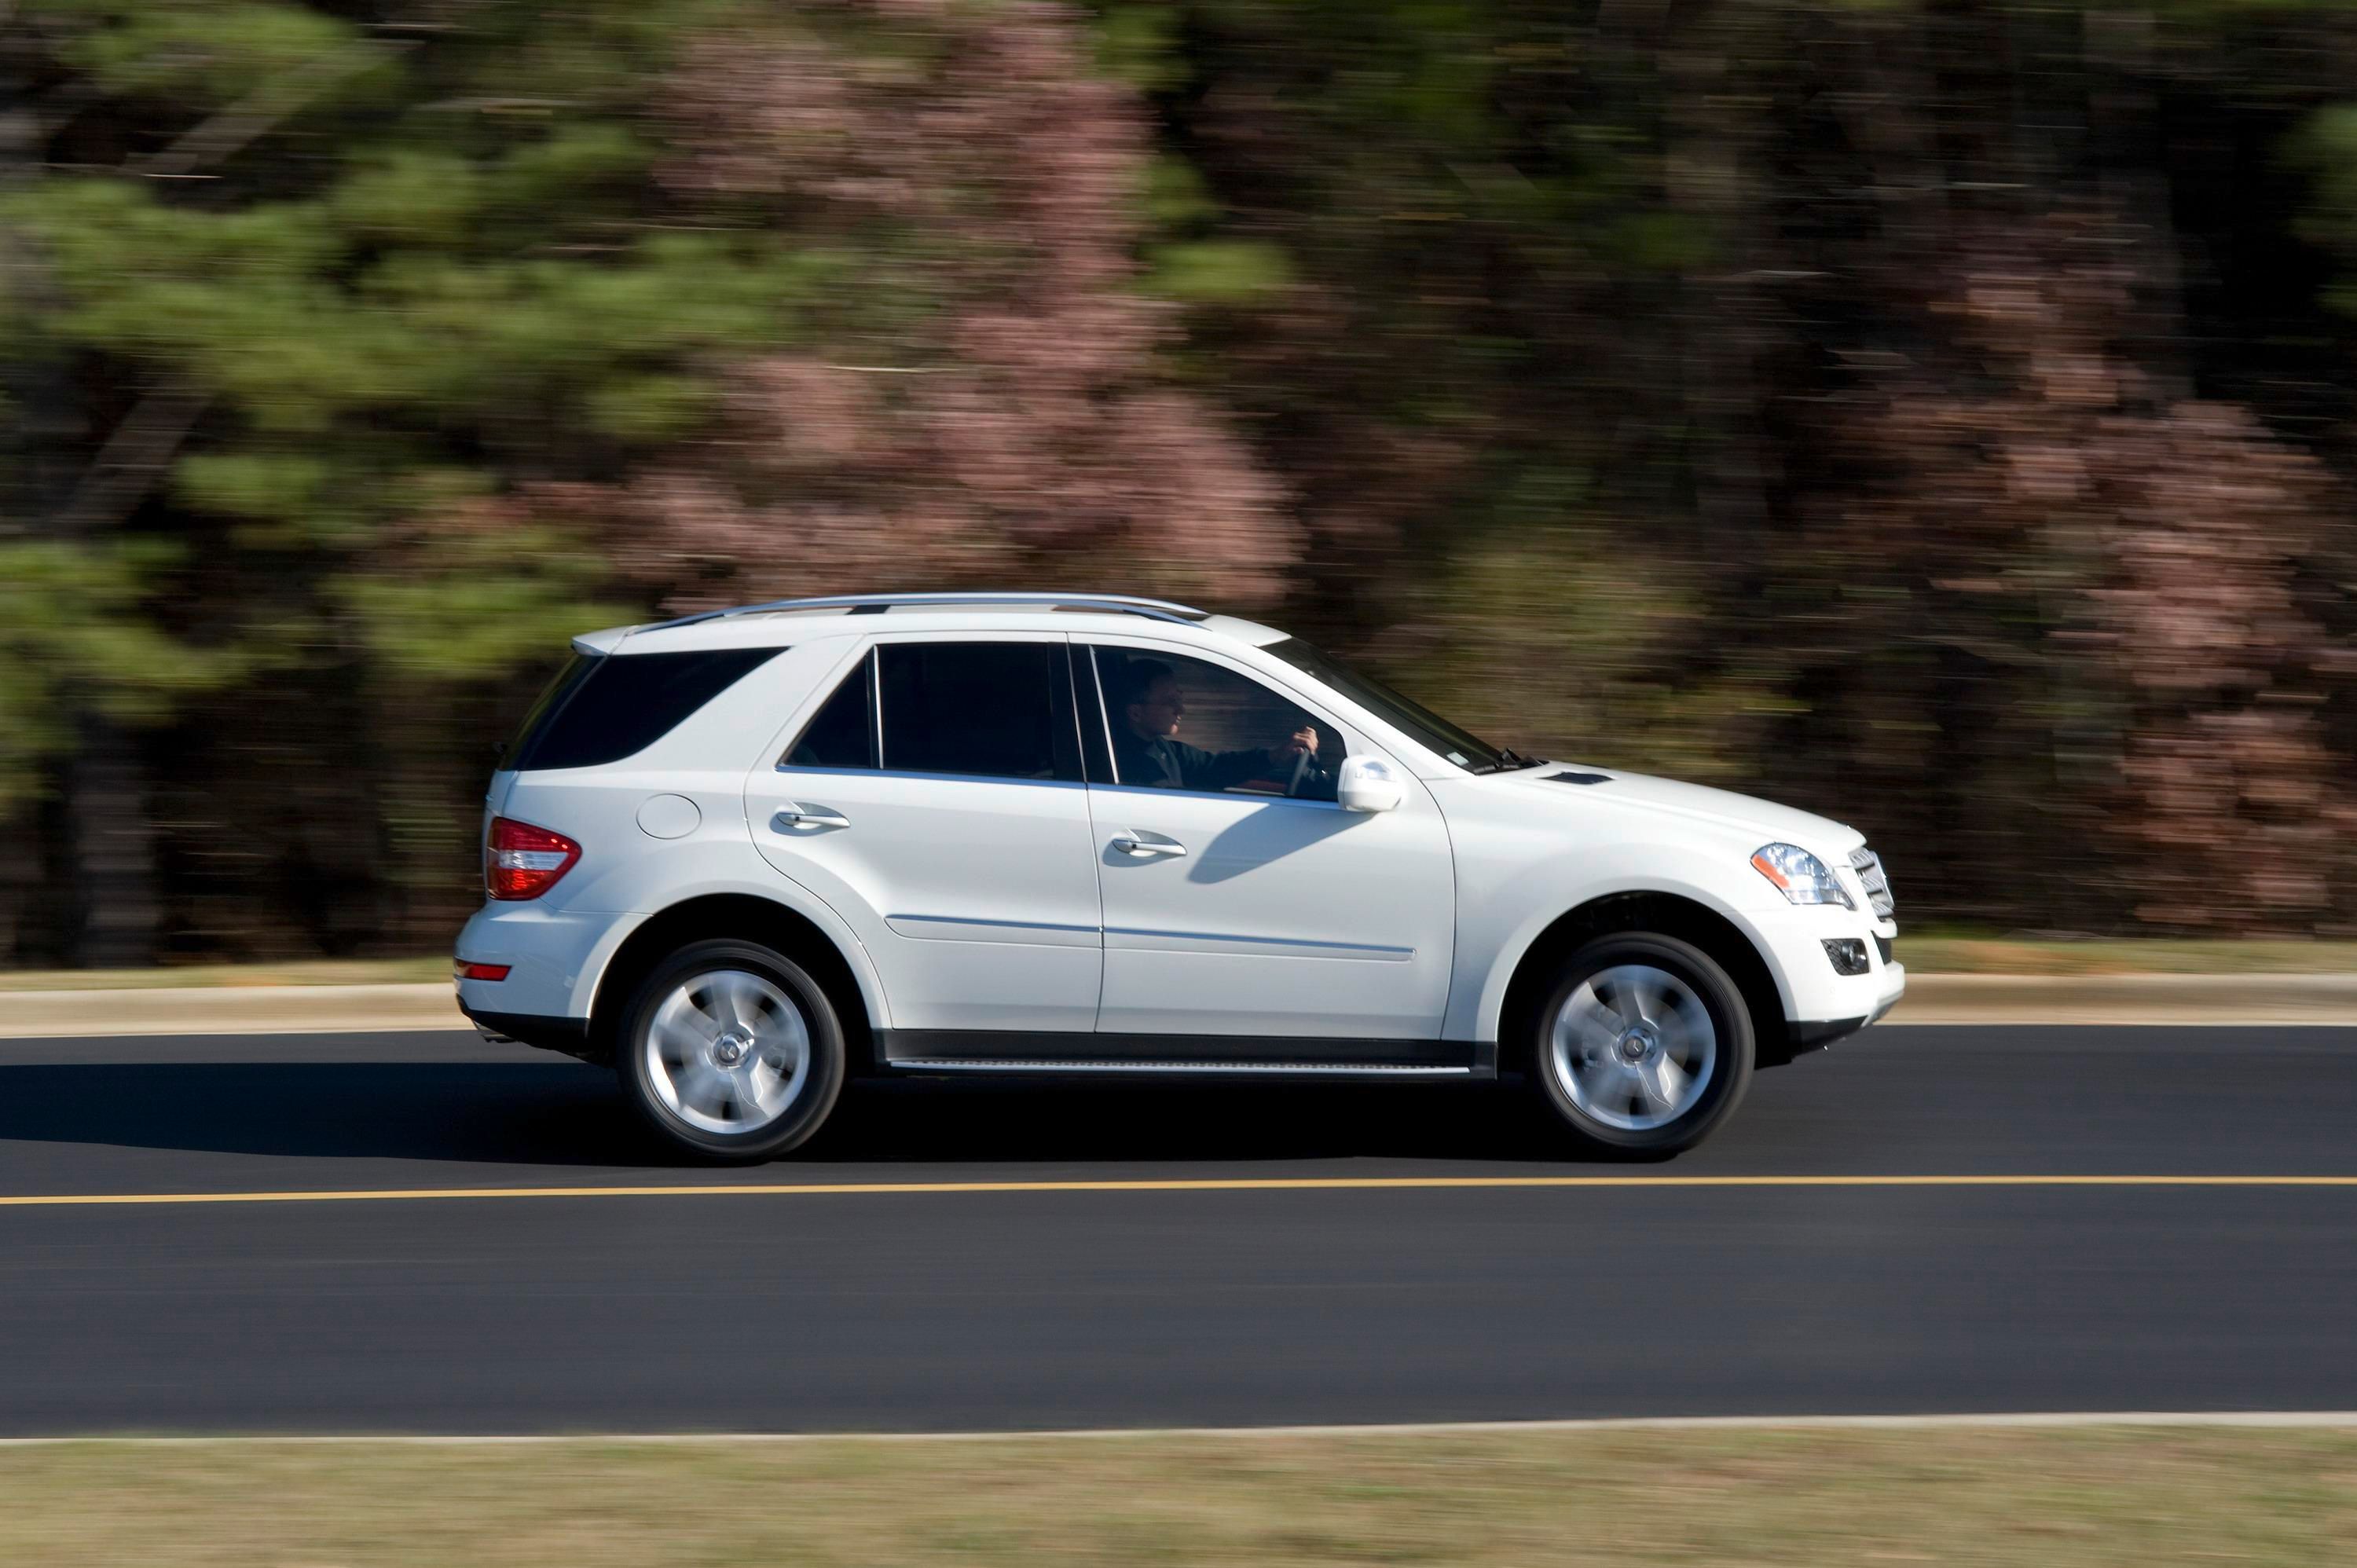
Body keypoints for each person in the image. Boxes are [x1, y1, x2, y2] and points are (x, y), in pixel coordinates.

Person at [1111, 658, 1329, 796]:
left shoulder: (1162, 749)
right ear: (1135, 712)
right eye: (1170, 701)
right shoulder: (1126, 766)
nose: (1181, 709)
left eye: (1179, 697)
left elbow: (1213, 767)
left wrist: (1274, 756)